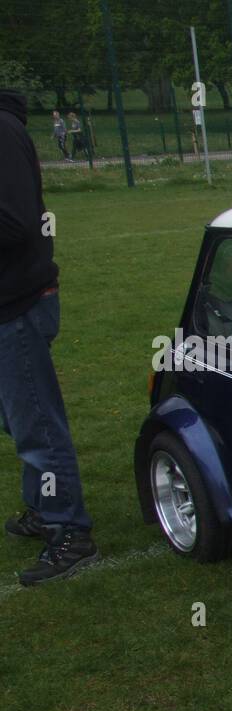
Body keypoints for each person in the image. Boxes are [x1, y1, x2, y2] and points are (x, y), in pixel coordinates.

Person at [0, 89, 98, 585]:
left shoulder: (1, 130)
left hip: (17, 303)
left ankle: (70, 531)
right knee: (18, 421)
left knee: (36, 423)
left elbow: (14, 222)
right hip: (10, 302)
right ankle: (44, 508)